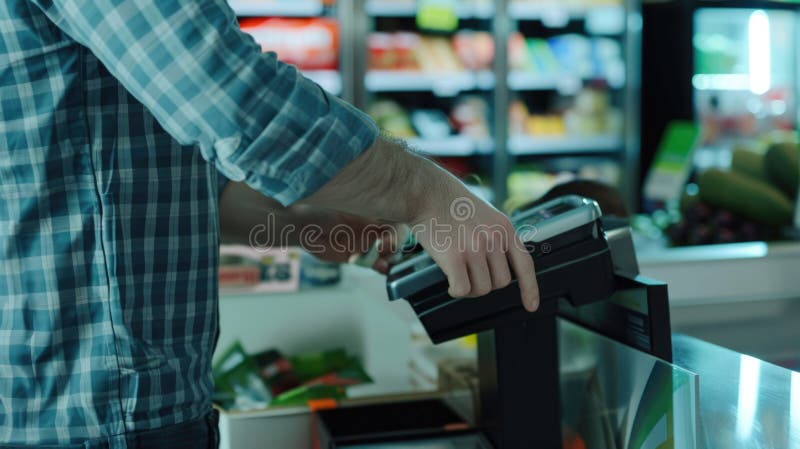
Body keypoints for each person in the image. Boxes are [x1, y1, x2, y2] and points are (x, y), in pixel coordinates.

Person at [0, 1, 539, 448]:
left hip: (103, 408)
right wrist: (429, 193)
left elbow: (130, 183)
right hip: (94, 418)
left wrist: (301, 222)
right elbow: (230, 96)